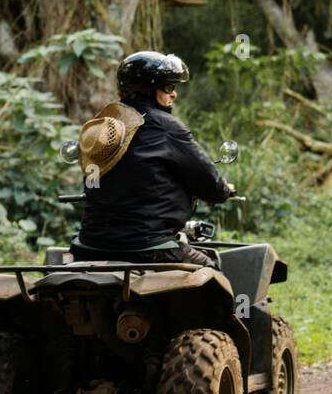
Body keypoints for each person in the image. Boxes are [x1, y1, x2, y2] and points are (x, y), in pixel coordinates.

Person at [72, 51, 234, 269]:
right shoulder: (165, 127)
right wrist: (223, 191)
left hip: (88, 246)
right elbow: (209, 181)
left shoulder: (104, 131)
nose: (174, 94)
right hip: (149, 247)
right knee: (212, 270)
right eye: (168, 87)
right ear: (147, 90)